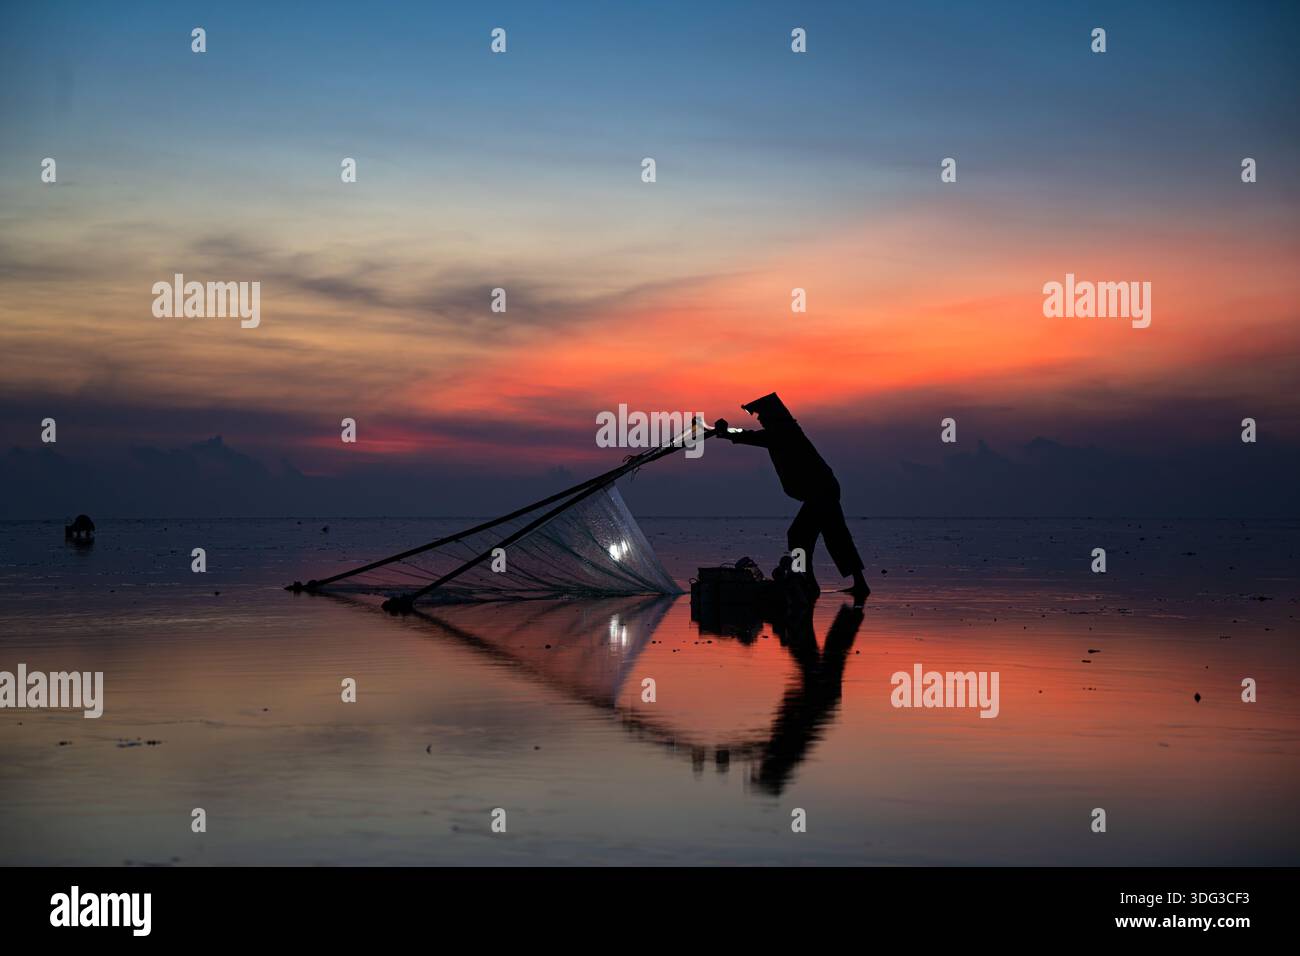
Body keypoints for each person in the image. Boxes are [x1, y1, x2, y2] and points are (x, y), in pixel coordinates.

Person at [714, 393, 870, 606]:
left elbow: (753, 437)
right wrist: (727, 432)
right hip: (822, 491)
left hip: (821, 491)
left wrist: (727, 432)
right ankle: (827, 582)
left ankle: (808, 581)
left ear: (773, 416)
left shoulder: (784, 432)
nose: (760, 420)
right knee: (829, 535)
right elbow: (753, 435)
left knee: (804, 535)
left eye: (761, 416)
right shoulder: (781, 432)